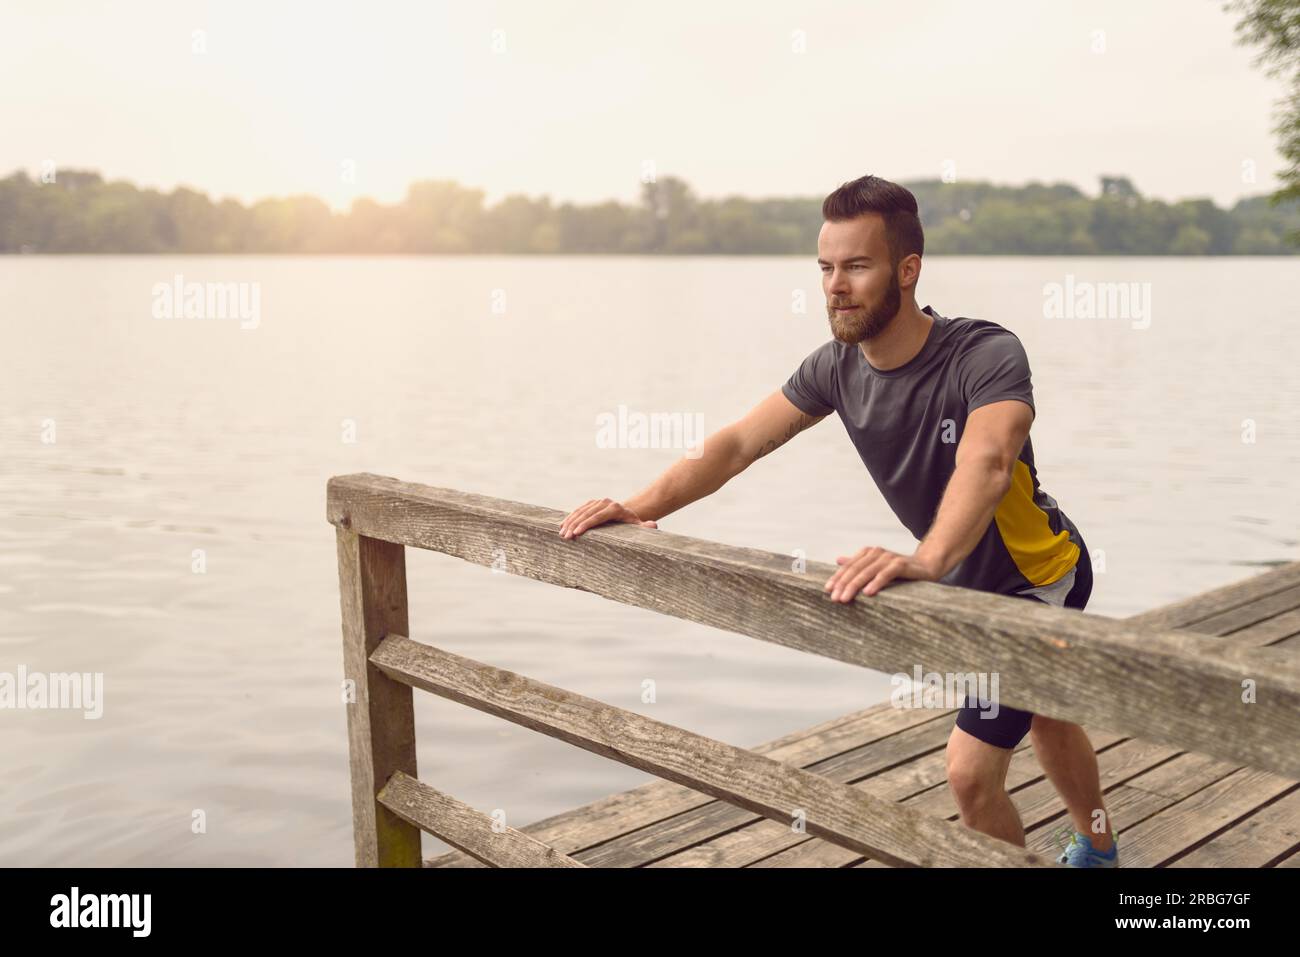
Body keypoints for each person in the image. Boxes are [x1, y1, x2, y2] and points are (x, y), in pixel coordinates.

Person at [558, 174, 1117, 868]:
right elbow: (735, 444)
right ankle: (1098, 846)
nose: (835, 285)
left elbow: (990, 461)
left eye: (857, 265)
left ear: (907, 270)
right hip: (961, 579)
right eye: (825, 267)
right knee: (1049, 712)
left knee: (970, 772)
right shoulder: (835, 369)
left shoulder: (985, 354)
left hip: (1039, 577)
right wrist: (639, 504)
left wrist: (926, 559)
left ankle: (1092, 847)